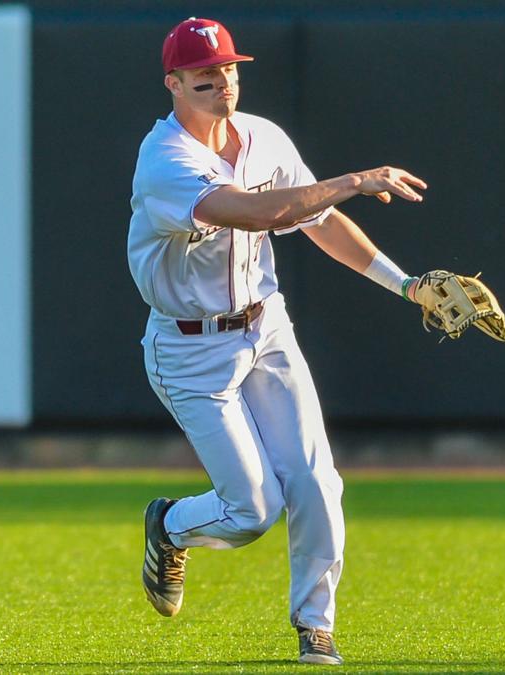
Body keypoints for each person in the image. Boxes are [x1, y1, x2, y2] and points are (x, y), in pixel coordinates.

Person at [127, 17, 428, 666]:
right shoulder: (167, 161)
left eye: (229, 68)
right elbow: (264, 212)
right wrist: (351, 178)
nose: (221, 82)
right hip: (189, 349)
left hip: (266, 326)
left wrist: (406, 286)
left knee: (318, 481)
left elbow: (318, 220)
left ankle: (315, 626)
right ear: (173, 83)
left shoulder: (264, 137)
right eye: (204, 74)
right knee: (251, 508)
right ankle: (171, 524)